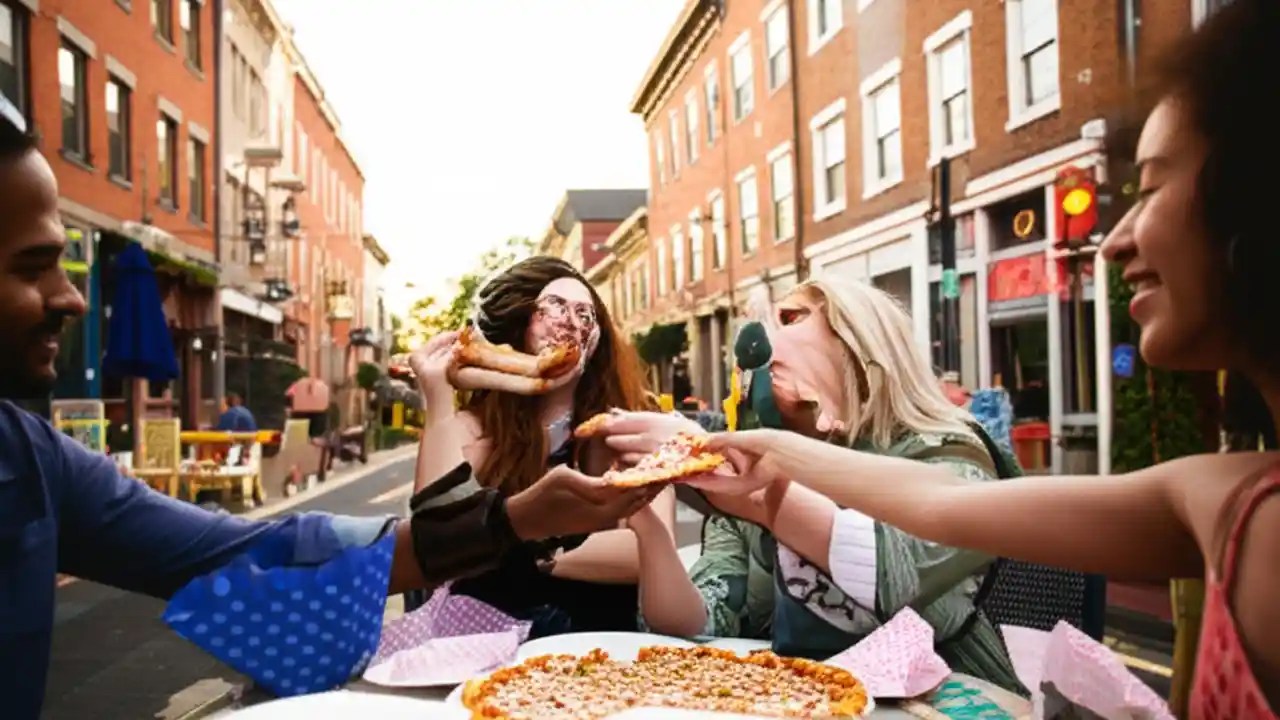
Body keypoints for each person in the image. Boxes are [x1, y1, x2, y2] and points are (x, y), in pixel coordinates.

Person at [687, 2, 1280, 713]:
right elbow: (938, 507)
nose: (1117, 241)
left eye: (1150, 187)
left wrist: (761, 469)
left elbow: (906, 551)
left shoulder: (1239, 511)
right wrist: (746, 453)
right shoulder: (1217, 493)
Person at [0, 105, 659, 719]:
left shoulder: (37, 463)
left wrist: (518, 522)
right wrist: (511, 511)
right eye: (34, 267)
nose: (72, 298)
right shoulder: (477, 425)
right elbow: (428, 516)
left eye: (584, 313)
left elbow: (253, 552)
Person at [605, 279, 1021, 691]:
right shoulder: (753, 463)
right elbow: (698, 622)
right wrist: (649, 525)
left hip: (953, 699)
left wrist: (739, 480)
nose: (760, 341)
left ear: (858, 340)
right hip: (808, 698)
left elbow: (897, 574)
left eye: (789, 317)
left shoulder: (947, 448)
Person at [406, 256, 672, 637]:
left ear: (598, 338)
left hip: (599, 639)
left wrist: (526, 553)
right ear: (518, 327)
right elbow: (437, 542)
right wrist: (439, 397)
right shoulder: (471, 430)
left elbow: (647, 552)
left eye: (585, 314)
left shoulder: (626, 427)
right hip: (483, 642)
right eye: (554, 307)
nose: (570, 322)